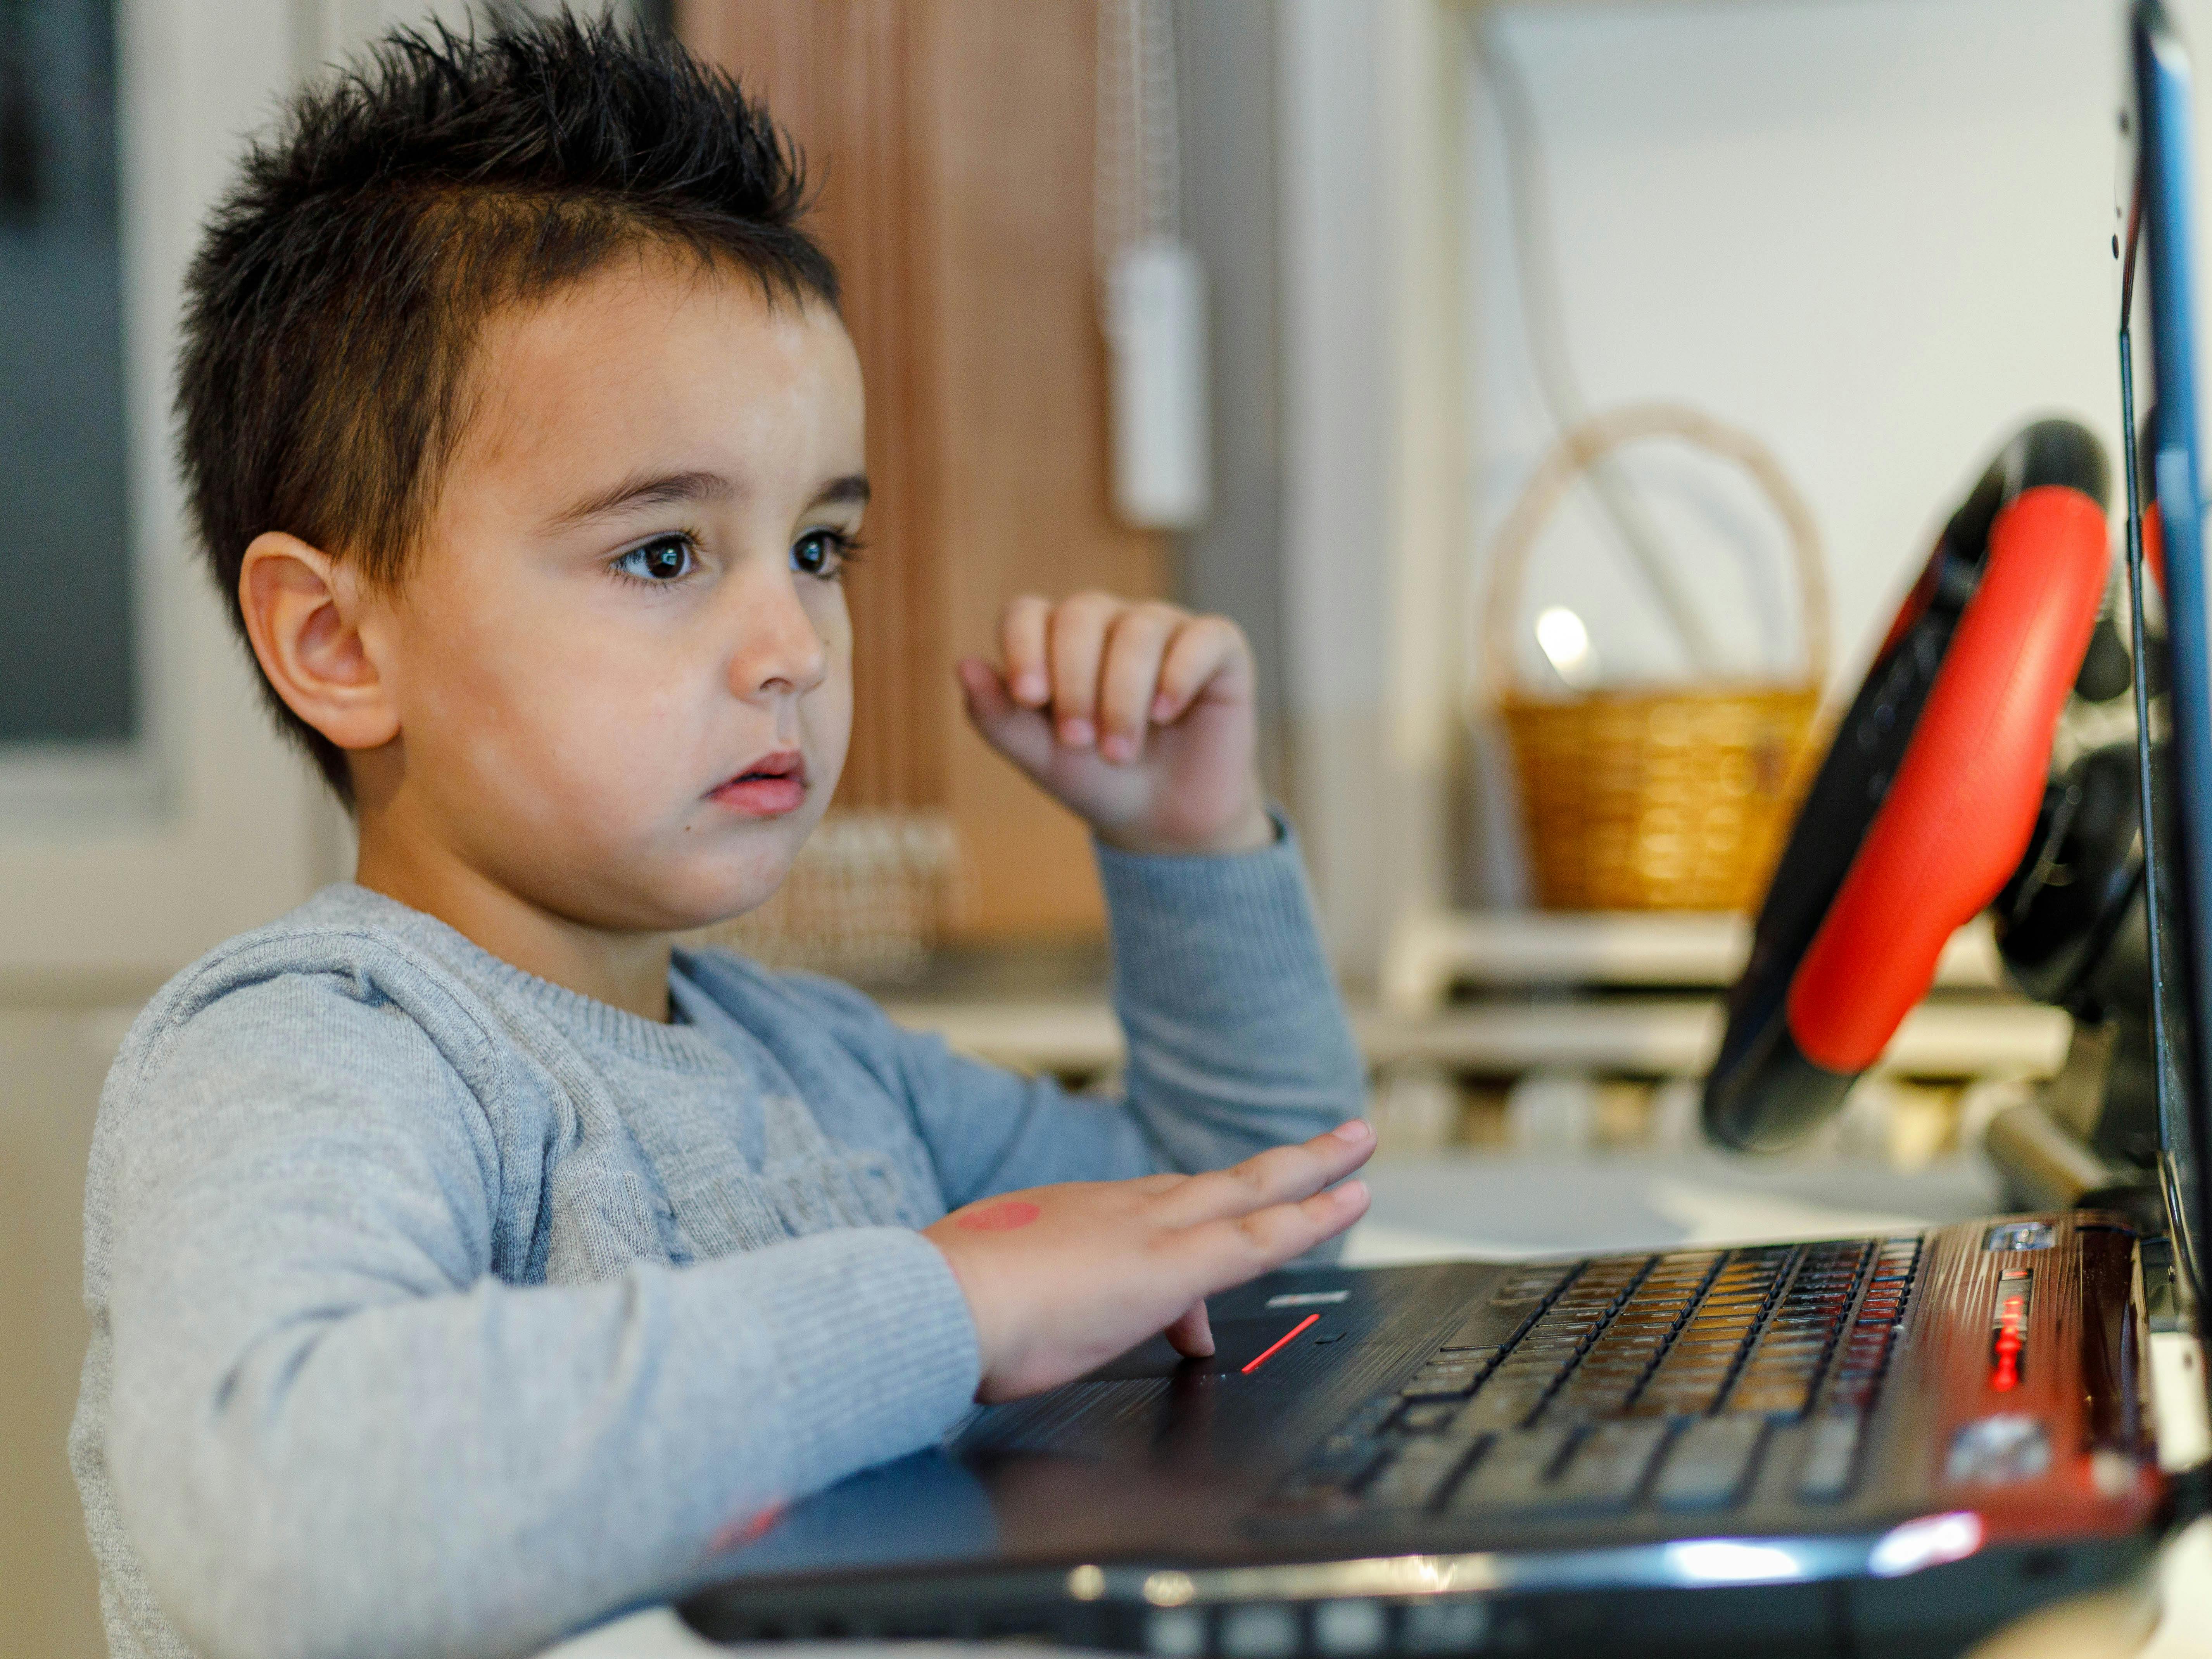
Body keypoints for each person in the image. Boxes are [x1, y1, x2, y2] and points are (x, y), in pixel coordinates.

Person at [69, 17, 1371, 1659]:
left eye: (818, 546)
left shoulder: (829, 1071)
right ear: (338, 643)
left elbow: (1257, 1242)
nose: (793, 648)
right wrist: (948, 1307)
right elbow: (274, 1518)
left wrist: (1189, 845)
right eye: (666, 554)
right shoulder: (318, 1048)